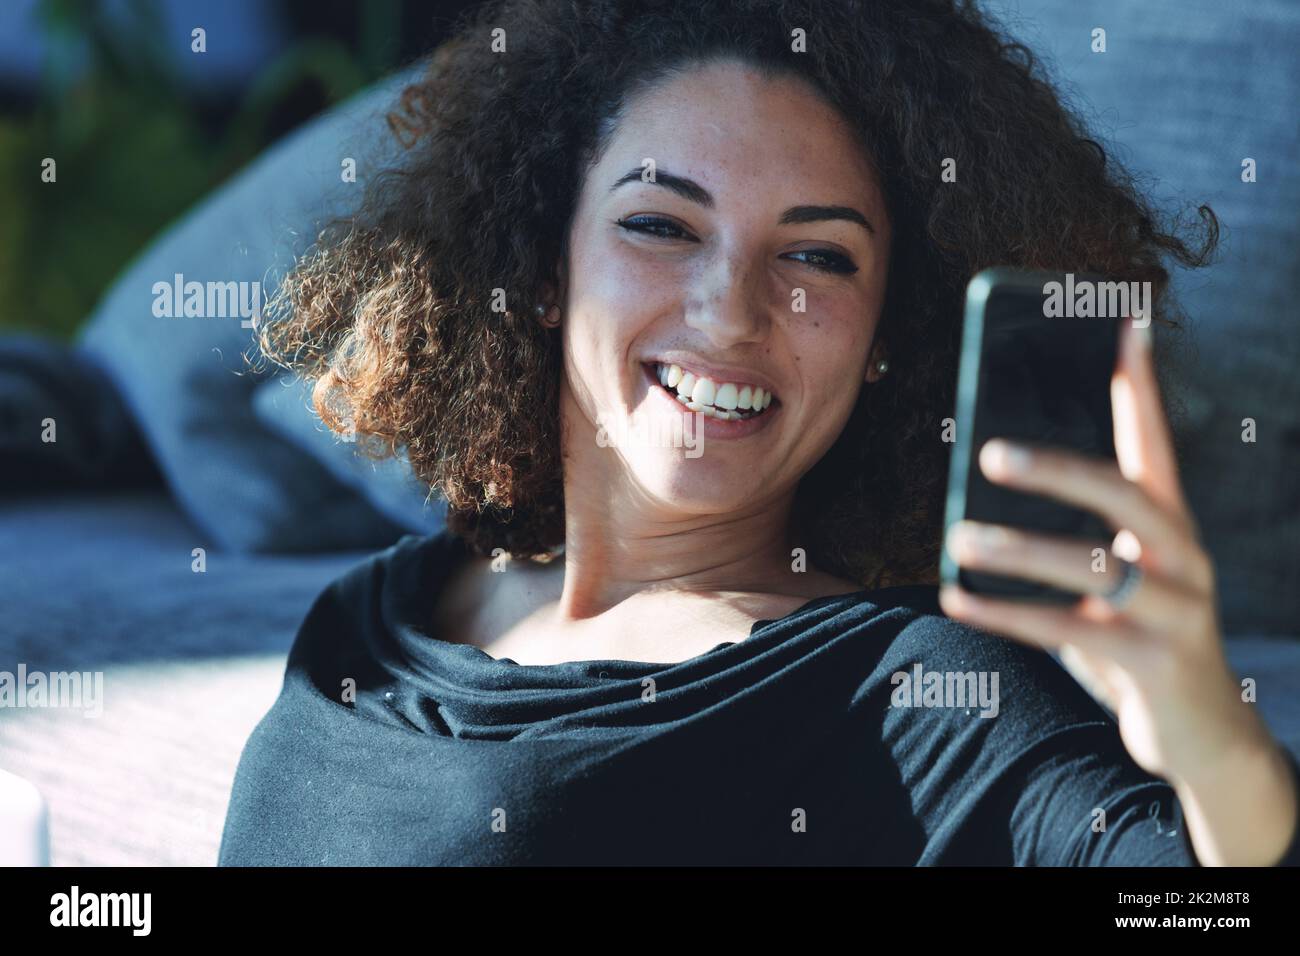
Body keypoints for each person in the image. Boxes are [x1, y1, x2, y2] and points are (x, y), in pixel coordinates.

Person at [219, 0, 1299, 866]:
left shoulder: (918, 687)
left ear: (888, 334)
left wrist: (1206, 738)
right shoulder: (376, 613)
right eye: (658, 225)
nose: (729, 309)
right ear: (544, 270)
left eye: (818, 256)